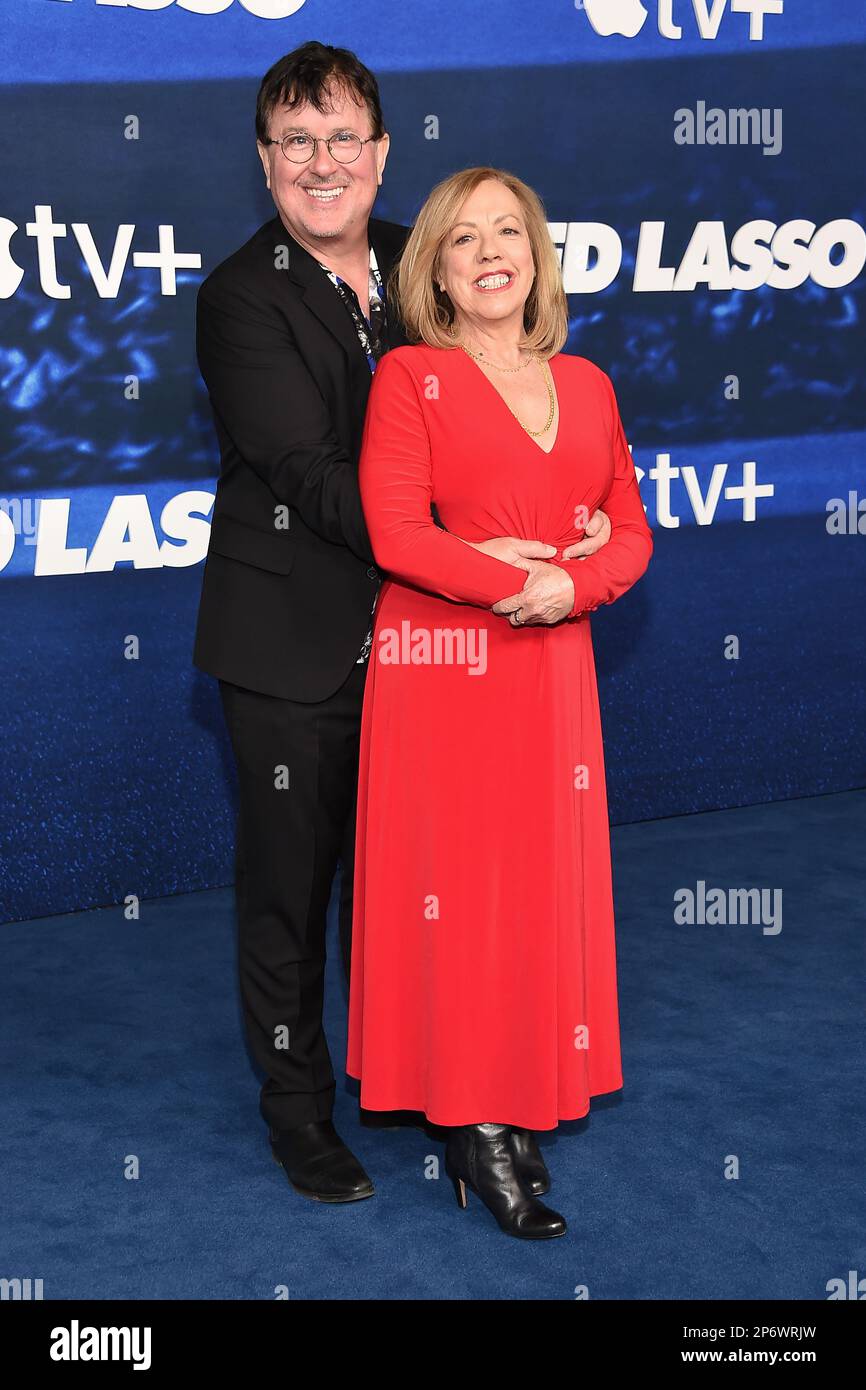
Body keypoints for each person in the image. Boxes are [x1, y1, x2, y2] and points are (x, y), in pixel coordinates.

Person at [193, 43, 612, 1205]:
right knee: (293, 886)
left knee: (438, 882)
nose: (319, 165)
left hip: (443, 655)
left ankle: (451, 1088)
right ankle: (298, 1115)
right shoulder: (240, 296)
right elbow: (310, 473)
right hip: (293, 644)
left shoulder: (417, 261)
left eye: (341, 140)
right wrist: (466, 548)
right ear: (264, 161)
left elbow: (509, 402)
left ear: (380, 154)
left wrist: (555, 528)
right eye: (293, 142)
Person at [347, 167, 654, 1238]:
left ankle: (515, 1098)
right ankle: (474, 1124)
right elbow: (397, 537)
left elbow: (628, 529)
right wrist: (515, 583)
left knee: (532, 889)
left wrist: (573, 585)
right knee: (458, 890)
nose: (488, 251)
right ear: (434, 264)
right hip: (443, 661)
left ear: (534, 253)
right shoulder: (409, 378)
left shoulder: (591, 382)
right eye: (463, 236)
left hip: (550, 663)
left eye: (507, 232)